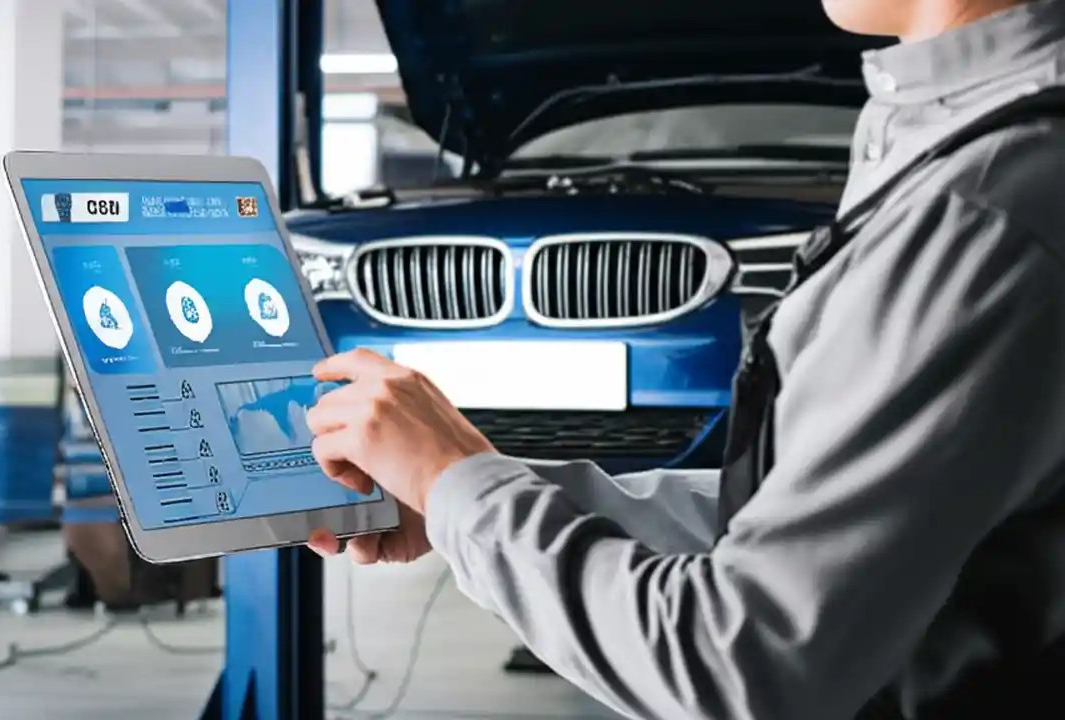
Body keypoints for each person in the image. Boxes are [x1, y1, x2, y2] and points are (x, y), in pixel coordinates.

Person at [305, 0, 1065, 718]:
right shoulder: (949, 147)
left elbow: (743, 666)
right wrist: (459, 495)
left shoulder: (985, 207)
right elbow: (797, 508)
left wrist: (460, 488)